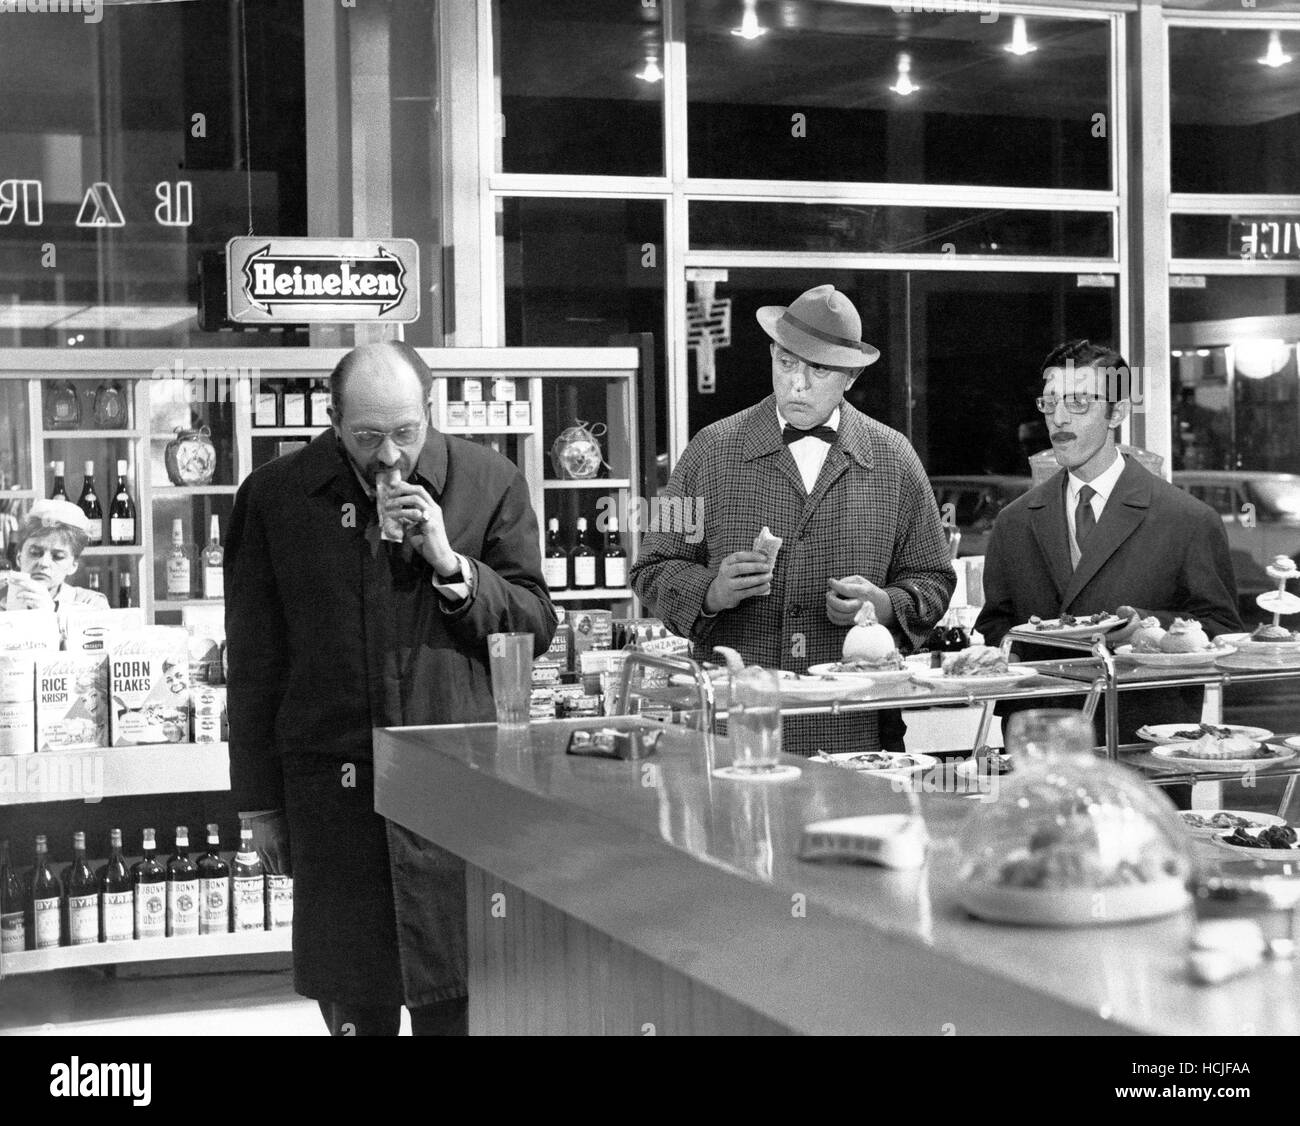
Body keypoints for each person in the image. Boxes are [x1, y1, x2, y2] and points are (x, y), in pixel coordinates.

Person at [224, 340, 556, 1037]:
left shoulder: (488, 481)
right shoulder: (276, 497)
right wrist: (258, 805)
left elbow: (533, 626)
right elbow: (254, 662)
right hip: (332, 792)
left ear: (428, 412)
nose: (389, 455)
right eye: (367, 435)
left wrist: (452, 565)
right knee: (354, 1003)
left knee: (462, 1000)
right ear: (332, 418)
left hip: (456, 789)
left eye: (405, 432)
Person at [631, 284, 955, 756]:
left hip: (856, 733)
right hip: (733, 729)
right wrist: (712, 591)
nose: (797, 383)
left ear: (849, 376)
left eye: (818, 369)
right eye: (786, 363)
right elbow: (651, 568)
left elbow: (934, 580)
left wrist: (883, 605)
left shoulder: (894, 458)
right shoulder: (708, 449)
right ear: (770, 355)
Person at [976, 339, 1242, 743]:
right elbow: (996, 624)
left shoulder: (1187, 519)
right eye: (1050, 403)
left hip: (1145, 747)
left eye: (1079, 402)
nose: (1059, 419)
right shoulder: (1014, 521)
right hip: (1043, 749)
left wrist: (1146, 629)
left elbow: (1222, 630)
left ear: (1117, 411)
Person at [0, 500, 109, 625]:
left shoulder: (92, 603)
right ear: (18, 557)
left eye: (58, 557)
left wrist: (52, 613)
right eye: (35, 553)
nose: (44, 563)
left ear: (73, 566)